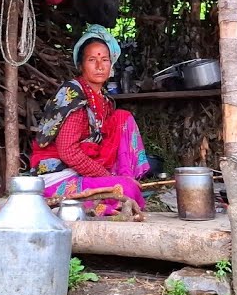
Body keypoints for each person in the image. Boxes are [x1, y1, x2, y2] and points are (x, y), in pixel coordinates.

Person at [30, 25, 149, 215]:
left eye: (105, 60)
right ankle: (106, 199)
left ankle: (121, 186)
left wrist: (119, 177)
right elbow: (68, 152)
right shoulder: (74, 95)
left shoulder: (105, 101)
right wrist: (108, 176)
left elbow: (110, 147)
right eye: (92, 60)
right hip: (60, 176)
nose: (100, 66)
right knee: (125, 189)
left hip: (85, 173)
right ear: (80, 65)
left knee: (123, 119)